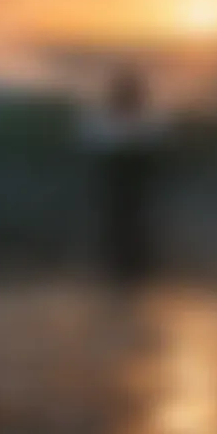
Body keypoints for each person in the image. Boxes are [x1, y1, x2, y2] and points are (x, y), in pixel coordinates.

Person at [82, 63, 166, 292]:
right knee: (123, 219)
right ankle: (126, 265)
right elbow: (94, 140)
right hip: (123, 171)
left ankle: (129, 265)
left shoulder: (140, 118)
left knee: (128, 219)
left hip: (129, 171)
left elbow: (93, 140)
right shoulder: (114, 118)